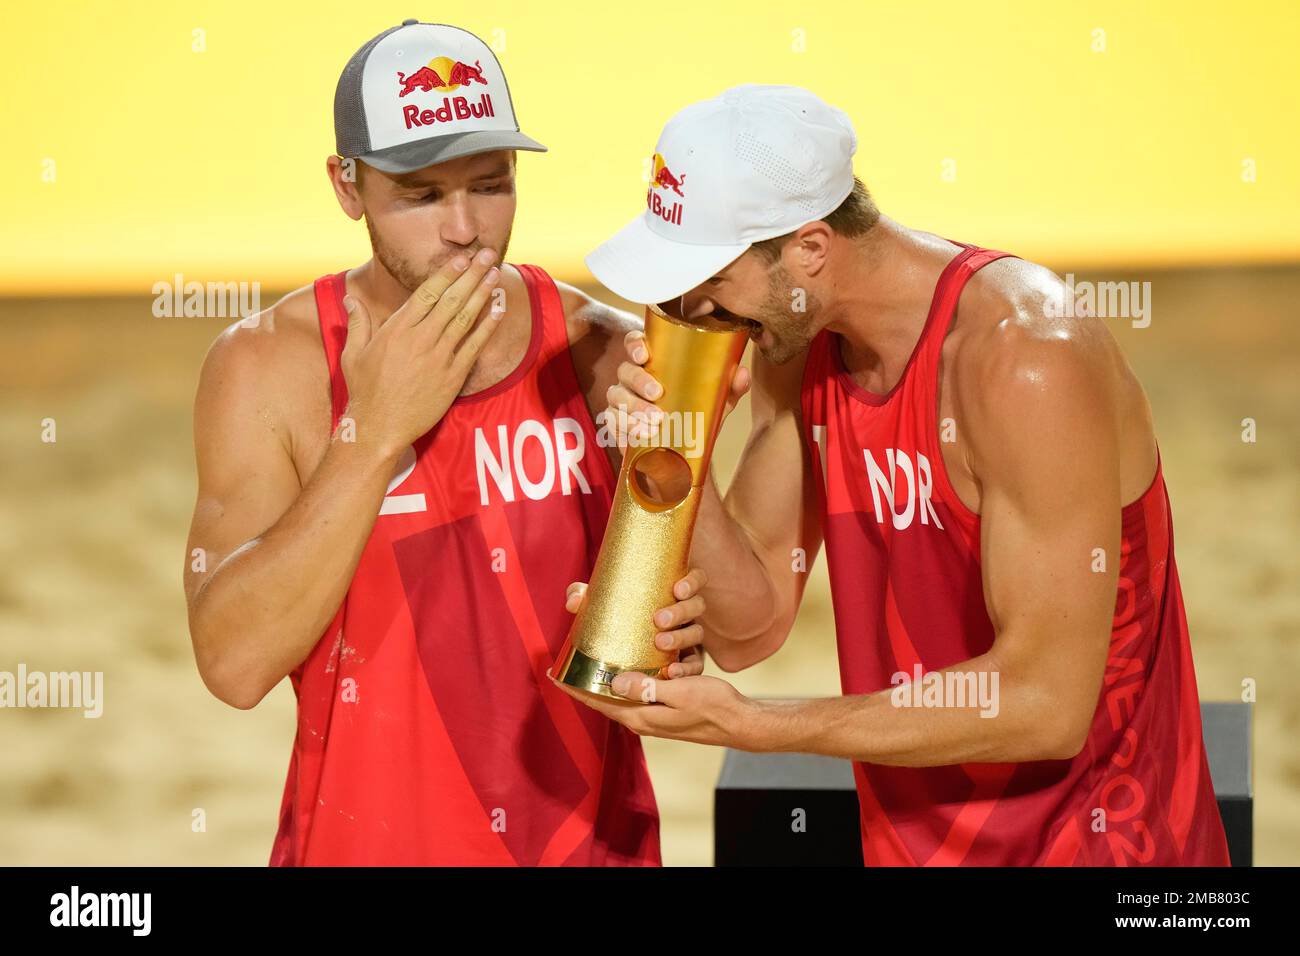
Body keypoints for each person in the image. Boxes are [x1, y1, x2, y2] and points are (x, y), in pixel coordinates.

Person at [558, 84, 1232, 866]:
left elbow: (1045, 706)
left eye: (710, 275)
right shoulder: (797, 342)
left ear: (810, 248)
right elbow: (751, 624)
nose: (688, 304)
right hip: (913, 848)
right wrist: (680, 444)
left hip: (1106, 853)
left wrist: (759, 726)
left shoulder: (1026, 357)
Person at [183, 20, 704, 866]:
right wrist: (375, 430)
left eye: (491, 185)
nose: (465, 229)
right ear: (346, 186)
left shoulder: (596, 348)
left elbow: (732, 630)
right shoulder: (265, 368)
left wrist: (681, 620)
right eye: (421, 196)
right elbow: (233, 665)